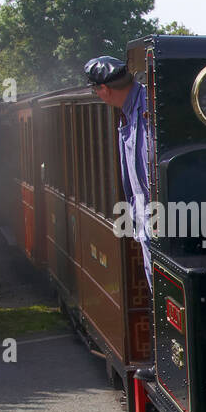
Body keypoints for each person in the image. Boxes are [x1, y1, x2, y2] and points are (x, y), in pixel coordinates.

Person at [85, 55, 154, 379]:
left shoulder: (146, 112)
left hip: (160, 218)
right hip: (145, 217)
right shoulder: (128, 113)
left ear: (104, 89)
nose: (98, 96)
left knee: (160, 286)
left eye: (96, 90)